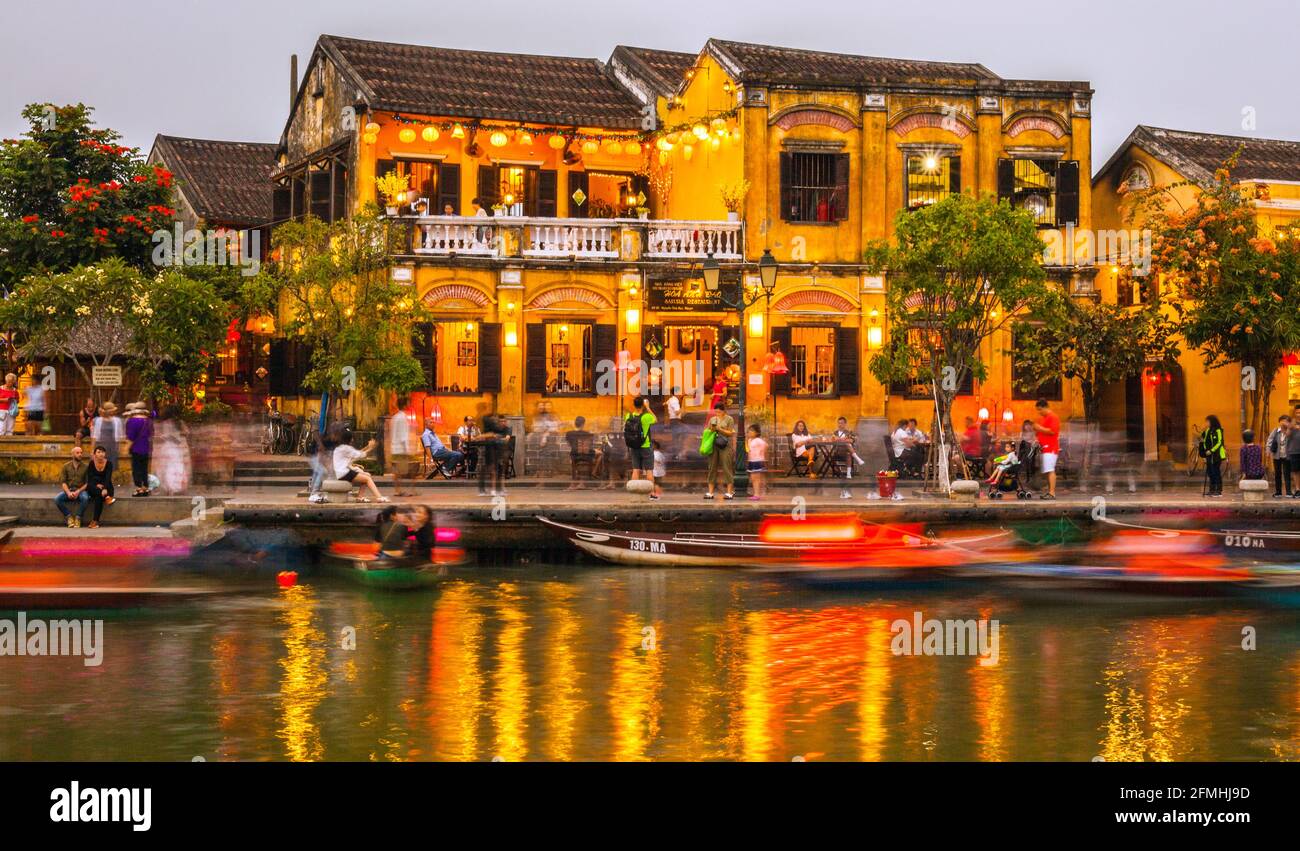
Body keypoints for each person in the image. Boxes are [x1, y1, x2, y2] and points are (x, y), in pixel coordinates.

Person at [333, 428, 387, 503]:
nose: (352, 439)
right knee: (367, 478)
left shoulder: (340, 448)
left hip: (341, 473)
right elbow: (361, 455)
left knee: (367, 475)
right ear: (349, 439)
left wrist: (368, 447)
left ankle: (360, 497)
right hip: (344, 473)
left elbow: (357, 453)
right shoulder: (346, 448)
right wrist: (371, 447)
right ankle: (379, 497)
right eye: (351, 438)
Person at [153, 406, 190, 495]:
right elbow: (187, 432)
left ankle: (169, 488)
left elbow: (158, 435)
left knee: (167, 467)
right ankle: (175, 487)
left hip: (166, 447)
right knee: (176, 467)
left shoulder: (164, 423)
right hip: (176, 448)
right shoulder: (179, 422)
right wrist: (179, 435)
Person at [703, 403, 736, 499]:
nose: (717, 413)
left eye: (719, 411)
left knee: (727, 467)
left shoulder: (729, 419)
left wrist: (719, 429)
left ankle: (729, 492)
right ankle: (710, 492)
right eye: (716, 411)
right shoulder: (712, 419)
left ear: (724, 411)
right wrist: (711, 430)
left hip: (725, 445)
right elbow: (708, 430)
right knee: (712, 467)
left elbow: (730, 433)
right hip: (714, 444)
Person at [623, 395, 657, 485]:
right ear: (643, 405)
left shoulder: (628, 416)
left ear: (634, 405)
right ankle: (650, 494)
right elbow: (655, 419)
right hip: (645, 446)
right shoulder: (646, 417)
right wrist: (648, 407)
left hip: (633, 446)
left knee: (636, 469)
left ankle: (635, 493)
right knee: (649, 470)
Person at [476, 413, 511, 497]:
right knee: (491, 470)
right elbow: (481, 436)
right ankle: (491, 489)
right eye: (500, 421)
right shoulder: (494, 428)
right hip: (491, 449)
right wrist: (493, 436)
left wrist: (495, 437)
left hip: (500, 450)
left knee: (499, 471)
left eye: (504, 421)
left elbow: (506, 439)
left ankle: (499, 489)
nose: (502, 423)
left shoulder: (506, 429)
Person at [54, 445, 90, 528]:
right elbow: (63, 482)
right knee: (57, 499)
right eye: (77, 453)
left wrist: (78, 491)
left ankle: (78, 518)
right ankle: (69, 517)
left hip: (81, 491)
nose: (80, 454)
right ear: (73, 454)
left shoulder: (86, 467)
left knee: (85, 498)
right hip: (69, 490)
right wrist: (68, 492)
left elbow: (87, 483)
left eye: (81, 453)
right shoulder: (65, 466)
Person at [1032, 399, 1060, 499]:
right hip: (1044, 448)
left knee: (1050, 470)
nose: (1039, 412)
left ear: (1045, 407)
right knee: (1047, 471)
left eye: (1040, 410)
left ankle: (1052, 493)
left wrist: (1038, 428)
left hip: (1051, 448)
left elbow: (1052, 431)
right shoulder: (1043, 418)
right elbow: (1041, 431)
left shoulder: (1053, 417)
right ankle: (1050, 492)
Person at [123, 402, 153, 496]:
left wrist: (125, 448)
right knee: (144, 468)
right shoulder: (149, 421)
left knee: (136, 468)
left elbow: (130, 437)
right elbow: (151, 435)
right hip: (146, 447)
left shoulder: (132, 421)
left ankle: (139, 488)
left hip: (136, 448)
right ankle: (145, 487)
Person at [85, 445, 115, 529]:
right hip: (94, 488)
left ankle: (95, 521)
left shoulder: (109, 463)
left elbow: (108, 478)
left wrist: (104, 488)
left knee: (99, 497)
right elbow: (90, 478)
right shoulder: (91, 463)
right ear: (95, 454)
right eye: (98, 452)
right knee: (90, 485)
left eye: (102, 452)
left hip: (107, 487)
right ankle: (107, 498)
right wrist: (96, 485)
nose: (101, 454)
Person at [566, 415, 597, 489]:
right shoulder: (587, 433)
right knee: (599, 456)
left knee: (575, 458)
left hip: (574, 456)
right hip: (586, 456)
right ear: (583, 424)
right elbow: (589, 446)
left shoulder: (569, 433)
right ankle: (586, 480)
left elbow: (569, 444)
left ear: (575, 423)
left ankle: (574, 483)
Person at [1199, 414, 1226, 497]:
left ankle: (1218, 490)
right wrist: (1204, 452)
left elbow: (1219, 442)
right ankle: (1212, 489)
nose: (1206, 423)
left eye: (1207, 421)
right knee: (1210, 472)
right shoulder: (1207, 431)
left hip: (1216, 455)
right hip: (1209, 455)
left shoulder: (1218, 430)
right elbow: (1204, 442)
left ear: (1212, 421)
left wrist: (1211, 450)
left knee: (1216, 472)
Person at [307, 424, 336, 504]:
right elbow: (315, 432)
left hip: (322, 453)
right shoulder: (324, 435)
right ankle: (314, 493)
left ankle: (314, 491)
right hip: (317, 453)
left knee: (318, 472)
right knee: (322, 471)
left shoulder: (332, 438)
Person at [833, 416, 861, 499]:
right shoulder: (835, 432)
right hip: (838, 451)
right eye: (839, 423)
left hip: (847, 452)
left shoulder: (848, 432)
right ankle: (857, 458)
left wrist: (841, 439)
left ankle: (848, 473)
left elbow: (852, 440)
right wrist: (844, 439)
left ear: (845, 424)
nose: (840, 425)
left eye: (842, 423)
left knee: (848, 452)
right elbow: (834, 440)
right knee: (847, 444)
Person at [92, 401, 124, 471]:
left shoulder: (117, 421)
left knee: (112, 464)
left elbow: (119, 436)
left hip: (112, 445)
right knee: (100, 464)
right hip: (101, 444)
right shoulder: (97, 420)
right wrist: (92, 449)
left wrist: (119, 447)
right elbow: (94, 435)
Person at [1267, 415, 1292, 497]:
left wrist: (1288, 430)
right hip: (1277, 455)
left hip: (1287, 456)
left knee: (1287, 473)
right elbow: (1269, 440)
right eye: (1282, 420)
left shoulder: (1290, 431)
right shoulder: (1276, 431)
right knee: (1277, 474)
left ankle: (1289, 492)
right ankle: (1278, 492)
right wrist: (1268, 451)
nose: (1284, 422)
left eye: (1286, 421)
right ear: (1279, 421)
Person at [746, 424, 768, 500]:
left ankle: (757, 494)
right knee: (753, 478)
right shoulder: (749, 440)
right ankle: (756, 493)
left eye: (752, 430)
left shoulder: (758, 440)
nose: (749, 432)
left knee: (756, 478)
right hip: (751, 461)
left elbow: (765, 445)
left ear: (757, 433)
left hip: (757, 461)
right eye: (749, 430)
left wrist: (761, 453)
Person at [666, 386, 684, 460]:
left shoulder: (671, 399)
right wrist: (683, 409)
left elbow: (665, 403)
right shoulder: (675, 400)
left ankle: (675, 454)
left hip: (673, 420)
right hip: (676, 421)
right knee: (678, 438)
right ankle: (676, 455)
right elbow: (677, 412)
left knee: (675, 438)